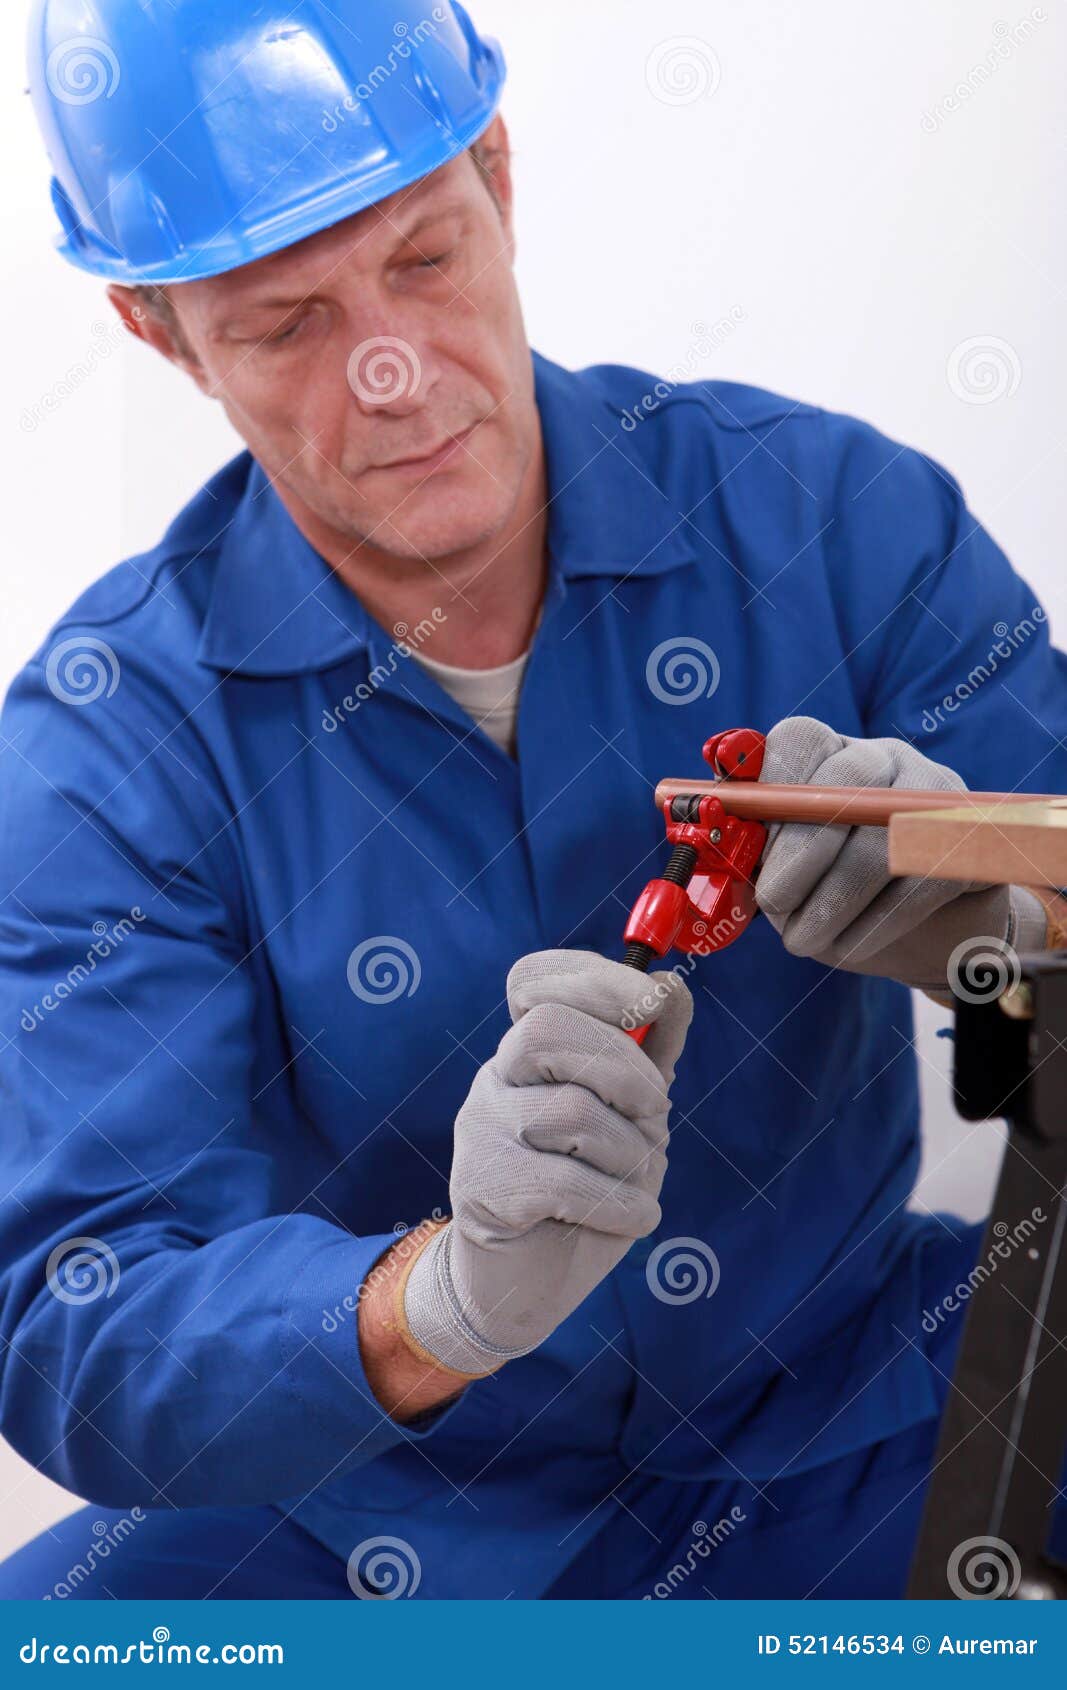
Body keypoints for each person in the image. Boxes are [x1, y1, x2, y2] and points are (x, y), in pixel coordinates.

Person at [2, 0, 1064, 1600]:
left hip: (857, 1414)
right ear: (160, 330)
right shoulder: (107, 742)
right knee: (59, 1638)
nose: (393, 371)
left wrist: (1002, 923)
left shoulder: (829, 515)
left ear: (497, 176)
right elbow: (76, 1314)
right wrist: (438, 1304)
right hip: (376, 1508)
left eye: (425, 258)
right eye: (288, 323)